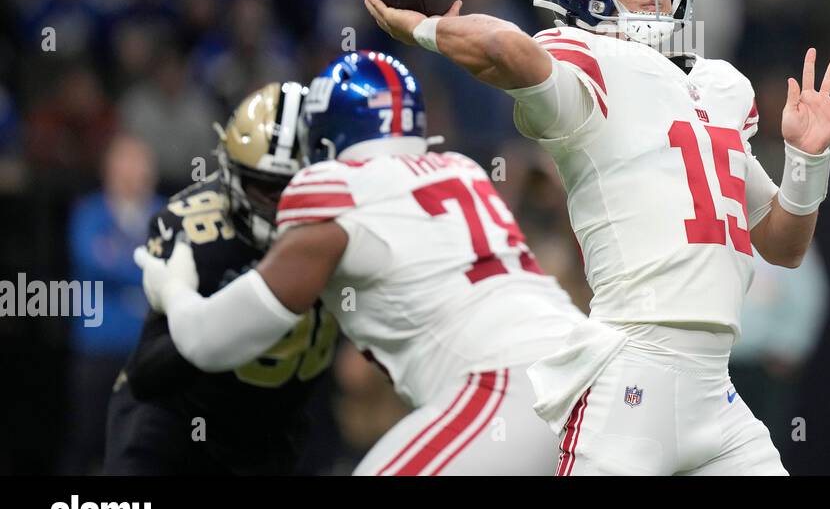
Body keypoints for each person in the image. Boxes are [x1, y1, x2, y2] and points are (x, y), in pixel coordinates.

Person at [364, 0, 830, 475]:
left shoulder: (719, 87)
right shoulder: (585, 61)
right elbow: (504, 47)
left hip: (717, 388)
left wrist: (806, 161)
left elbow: (783, 243)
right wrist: (425, 26)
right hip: (634, 370)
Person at [135, 51, 587, 475]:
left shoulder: (336, 190)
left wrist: (173, 290)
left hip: (508, 391)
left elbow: (207, 342)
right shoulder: (461, 171)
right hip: (593, 375)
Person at [105, 83, 338, 475]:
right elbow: (148, 374)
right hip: (177, 423)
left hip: (272, 430)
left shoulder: (351, 229)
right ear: (230, 171)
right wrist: (224, 324)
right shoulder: (195, 230)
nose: (276, 205)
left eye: (291, 187)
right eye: (263, 187)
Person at [63, 134, 162, 473]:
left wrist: (122, 255)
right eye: (125, 160)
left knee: (149, 443)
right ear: (108, 168)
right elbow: (92, 259)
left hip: (151, 352)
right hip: (99, 350)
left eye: (140, 161)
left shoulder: (167, 214)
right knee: (89, 438)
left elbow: (180, 268)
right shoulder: (88, 213)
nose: (133, 170)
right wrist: (147, 264)